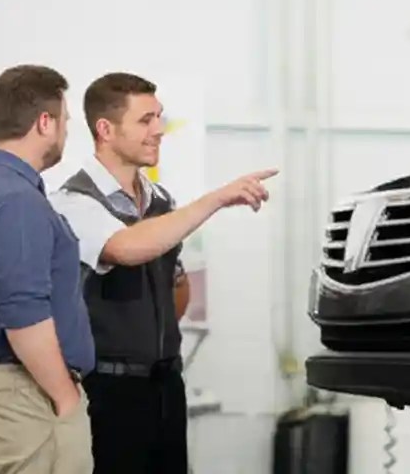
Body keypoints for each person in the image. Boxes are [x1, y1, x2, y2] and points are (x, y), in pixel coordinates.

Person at [48, 71, 277, 474]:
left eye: (159, 117)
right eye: (145, 120)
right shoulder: (72, 202)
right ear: (105, 129)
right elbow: (124, 247)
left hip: (165, 387)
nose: (159, 130)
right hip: (107, 392)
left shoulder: (160, 201)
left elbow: (175, 285)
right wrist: (217, 198)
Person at [0, 64, 95, 474]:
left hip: (2, 384)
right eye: (64, 122)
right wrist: (66, 397)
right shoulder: (15, 199)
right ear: (45, 122)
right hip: (25, 388)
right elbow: (23, 312)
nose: (65, 132)